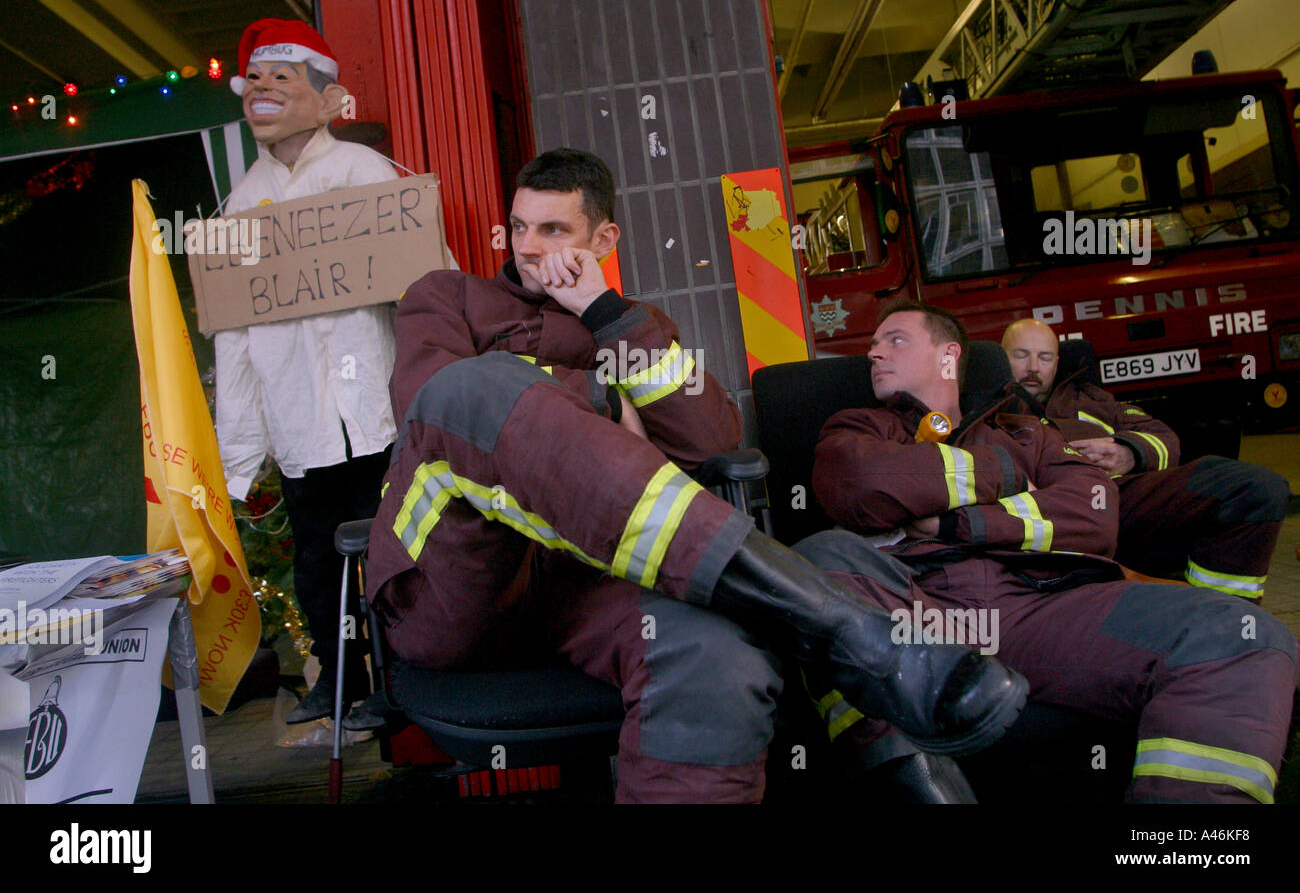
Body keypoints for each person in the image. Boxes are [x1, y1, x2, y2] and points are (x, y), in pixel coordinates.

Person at [362, 149, 1028, 803]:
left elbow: (710, 440)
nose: (529, 247)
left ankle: (836, 633)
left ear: (603, 240)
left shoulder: (632, 325)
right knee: (473, 389)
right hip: (460, 583)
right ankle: (835, 622)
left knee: (714, 645)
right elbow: (429, 400)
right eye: (519, 227)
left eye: (554, 230)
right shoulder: (446, 296)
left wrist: (602, 311)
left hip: (595, 580)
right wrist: (602, 398)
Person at [810, 301, 1297, 802]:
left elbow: (1094, 513)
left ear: (948, 355)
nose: (874, 353)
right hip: (921, 614)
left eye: (895, 340)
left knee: (1245, 633)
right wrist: (1006, 476)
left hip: (1037, 606)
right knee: (820, 560)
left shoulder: (1027, 432)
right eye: (874, 344)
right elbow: (862, 481)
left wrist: (957, 521)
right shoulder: (858, 428)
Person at [216, 19, 398, 722]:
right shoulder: (240, 204)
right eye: (254, 80)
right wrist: (239, 453)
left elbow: (424, 287)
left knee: (397, 548)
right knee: (319, 560)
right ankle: (341, 679)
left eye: (281, 77)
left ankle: (406, 682)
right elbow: (234, 336)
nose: (262, 89)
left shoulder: (365, 174)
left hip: (377, 408)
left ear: (327, 100)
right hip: (301, 418)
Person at [1002, 317, 1289, 601]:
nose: (1033, 367)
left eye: (1045, 357)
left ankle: (1225, 612)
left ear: (1056, 363)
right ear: (1001, 359)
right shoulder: (994, 411)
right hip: (1059, 511)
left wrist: (1130, 451)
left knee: (1255, 486)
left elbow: (1165, 438)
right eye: (1021, 355)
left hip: (1124, 497)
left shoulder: (1092, 401)